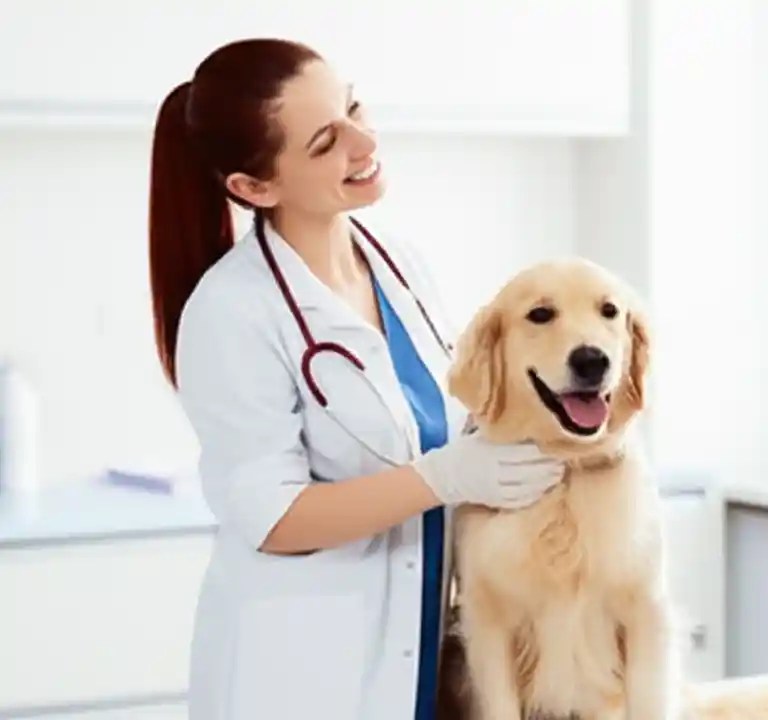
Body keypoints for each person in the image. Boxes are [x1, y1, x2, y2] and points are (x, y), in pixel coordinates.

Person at [147, 38, 566, 719]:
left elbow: (448, 415)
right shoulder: (231, 311)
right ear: (255, 188)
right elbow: (273, 516)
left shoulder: (399, 266)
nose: (364, 140)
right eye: (324, 142)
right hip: (298, 675)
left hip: (415, 653)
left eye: (354, 107)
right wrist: (444, 477)